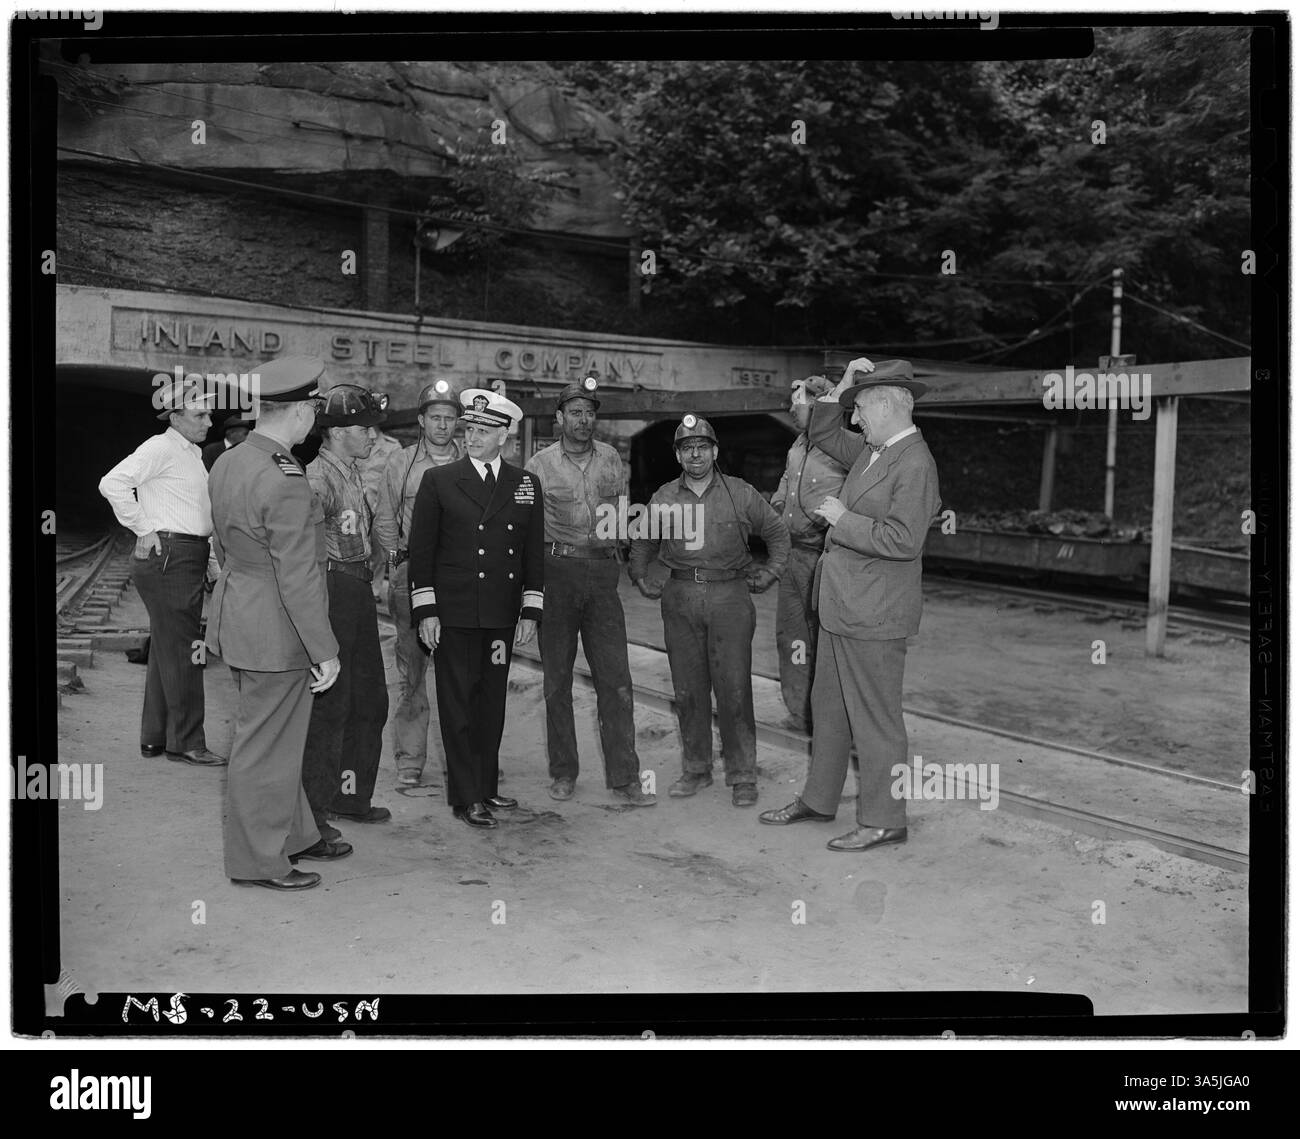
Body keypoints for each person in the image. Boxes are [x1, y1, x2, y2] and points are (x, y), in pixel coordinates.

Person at [759, 358, 941, 852]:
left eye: (859, 409)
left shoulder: (914, 462)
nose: (854, 419)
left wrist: (842, 519)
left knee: (877, 720)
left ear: (885, 404)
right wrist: (845, 384)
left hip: (876, 612)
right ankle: (819, 800)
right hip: (842, 605)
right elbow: (820, 426)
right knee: (830, 709)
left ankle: (885, 819)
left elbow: (904, 540)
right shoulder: (873, 452)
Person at [206, 355, 346, 891]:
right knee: (263, 746)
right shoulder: (285, 478)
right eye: (315, 408)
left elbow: (225, 543)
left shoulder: (227, 460)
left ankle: (294, 833)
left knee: (275, 737)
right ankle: (258, 862)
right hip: (276, 628)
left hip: (238, 613)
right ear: (304, 411)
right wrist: (324, 648)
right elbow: (298, 575)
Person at [628, 415, 790, 807]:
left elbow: (777, 533)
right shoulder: (665, 497)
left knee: (734, 689)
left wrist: (771, 572)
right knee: (688, 689)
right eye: (687, 448)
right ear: (678, 456)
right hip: (680, 595)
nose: (695, 453)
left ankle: (743, 774)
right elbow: (643, 544)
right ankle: (696, 769)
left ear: (715, 452)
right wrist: (640, 576)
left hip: (730, 596)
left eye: (702, 446)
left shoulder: (740, 493)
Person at [408, 388, 545, 829]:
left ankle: (486, 785)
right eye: (470, 430)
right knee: (458, 703)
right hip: (455, 613)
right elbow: (422, 552)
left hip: (501, 615)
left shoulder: (524, 483)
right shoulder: (440, 481)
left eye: (485, 431)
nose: (473, 438)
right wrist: (426, 611)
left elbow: (532, 552)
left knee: (492, 703)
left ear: (504, 435)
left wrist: (530, 609)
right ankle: (465, 796)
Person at [525, 377, 654, 806]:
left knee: (616, 681)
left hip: (601, 575)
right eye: (576, 412)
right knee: (556, 681)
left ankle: (625, 776)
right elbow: (525, 530)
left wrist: (628, 564)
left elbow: (619, 517)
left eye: (590, 412)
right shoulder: (539, 466)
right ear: (560, 418)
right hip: (556, 571)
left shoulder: (611, 459)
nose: (584, 420)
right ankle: (564, 772)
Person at [99, 380, 224, 767]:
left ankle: (155, 737)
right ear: (176, 417)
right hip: (170, 554)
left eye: (209, 414)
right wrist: (144, 528)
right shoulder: (161, 447)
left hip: (186, 554)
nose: (208, 422)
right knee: (187, 650)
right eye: (199, 415)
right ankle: (187, 742)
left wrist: (211, 562)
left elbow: (197, 516)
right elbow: (112, 483)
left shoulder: (190, 454)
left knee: (167, 648)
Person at [301, 385, 398, 840]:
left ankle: (350, 796)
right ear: (337, 433)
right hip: (334, 587)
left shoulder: (352, 471)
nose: (372, 437)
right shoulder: (316, 478)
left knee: (370, 701)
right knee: (332, 706)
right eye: (363, 428)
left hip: (356, 590)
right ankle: (313, 816)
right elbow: (301, 551)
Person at [381, 381, 463, 786]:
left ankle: (465, 761)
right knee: (412, 671)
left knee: (462, 674)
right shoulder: (402, 463)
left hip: (463, 579)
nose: (443, 425)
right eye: (435, 418)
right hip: (413, 575)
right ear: (421, 420)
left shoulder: (474, 460)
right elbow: (384, 517)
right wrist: (395, 563)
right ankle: (410, 762)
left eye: (450, 418)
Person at [771, 377, 848, 732]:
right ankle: (800, 713)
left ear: (820, 404)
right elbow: (786, 483)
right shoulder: (797, 446)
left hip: (823, 557)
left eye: (797, 402)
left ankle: (829, 721)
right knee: (792, 635)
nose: (790, 408)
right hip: (791, 555)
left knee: (827, 640)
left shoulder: (843, 448)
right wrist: (773, 508)